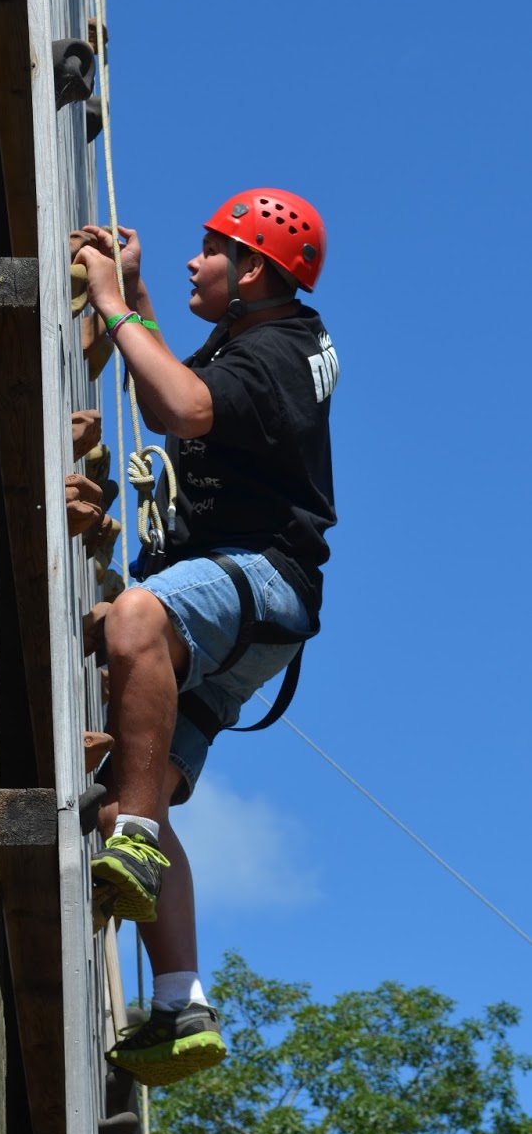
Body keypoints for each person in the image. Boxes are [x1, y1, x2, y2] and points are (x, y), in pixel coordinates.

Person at [74, 189, 338, 1088]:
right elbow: (170, 406)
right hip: (261, 617)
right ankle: (178, 1001)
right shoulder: (267, 342)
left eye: (208, 251)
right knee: (121, 797)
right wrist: (139, 298)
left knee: (138, 615)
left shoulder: (274, 350)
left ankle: (139, 836)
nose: (195, 262)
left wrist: (111, 305)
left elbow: (182, 409)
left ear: (252, 269)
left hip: (256, 577)